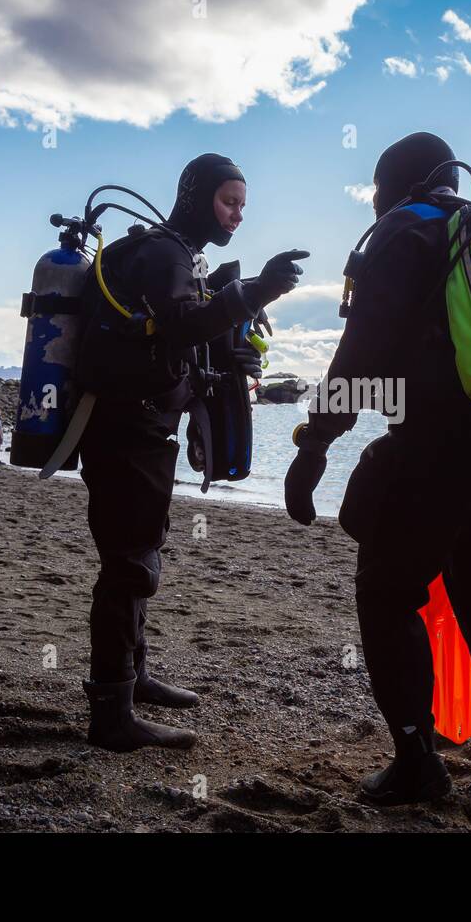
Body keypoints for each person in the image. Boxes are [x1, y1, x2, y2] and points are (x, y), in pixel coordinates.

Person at [283, 132, 471, 831]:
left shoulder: (406, 229)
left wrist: (315, 443)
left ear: (390, 186)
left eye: (375, 191)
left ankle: (416, 762)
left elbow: (361, 355)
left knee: (385, 595)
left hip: (436, 453)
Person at [75, 152, 307, 753]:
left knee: (141, 550)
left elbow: (179, 337)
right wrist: (257, 291)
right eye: (228, 201)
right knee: (129, 564)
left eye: (242, 206)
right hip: (125, 430)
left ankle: (134, 678)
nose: (236, 215)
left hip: (142, 429)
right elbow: (180, 324)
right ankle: (111, 715)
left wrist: (232, 345)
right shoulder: (165, 253)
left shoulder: (178, 254)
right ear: (197, 196)